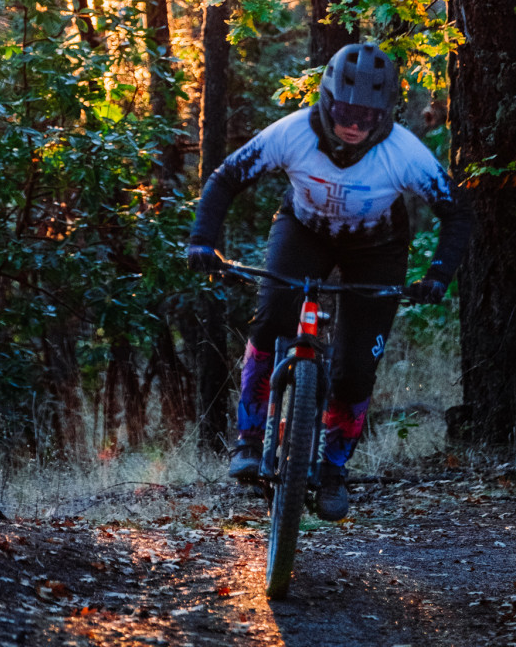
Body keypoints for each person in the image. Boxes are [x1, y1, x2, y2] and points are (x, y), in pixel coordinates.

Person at [187, 42, 472, 521]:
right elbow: (226, 177)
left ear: (387, 113)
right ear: (325, 97)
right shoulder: (294, 132)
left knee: (356, 367)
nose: (354, 123)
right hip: (303, 231)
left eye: (368, 113)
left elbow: (456, 212)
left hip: (378, 248)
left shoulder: (403, 151)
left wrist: (438, 275)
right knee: (271, 320)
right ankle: (250, 439)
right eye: (344, 108)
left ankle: (334, 472)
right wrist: (202, 241)